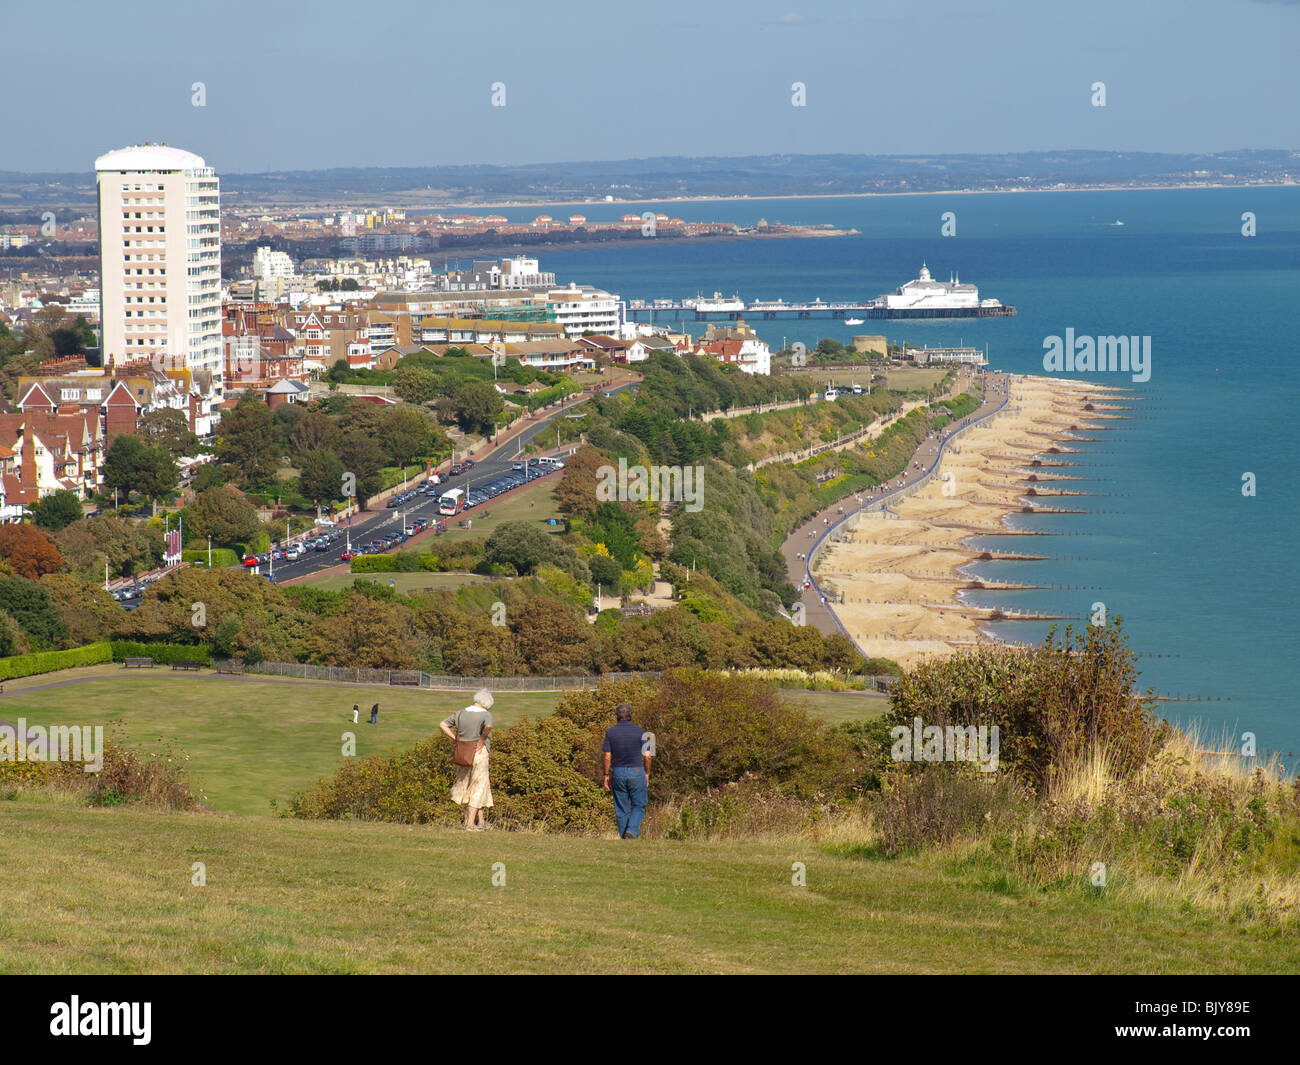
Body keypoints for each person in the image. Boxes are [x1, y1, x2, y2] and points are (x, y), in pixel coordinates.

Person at [440, 689, 494, 830]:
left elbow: (443, 724)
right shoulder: (485, 714)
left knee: (472, 784)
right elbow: (488, 726)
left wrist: (455, 738)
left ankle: (481, 821)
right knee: (479, 786)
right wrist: (482, 739)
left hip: (463, 752)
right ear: (486, 703)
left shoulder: (460, 713)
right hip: (479, 753)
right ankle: (470, 824)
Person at [603, 703, 651, 839]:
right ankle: (632, 830)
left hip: (617, 772)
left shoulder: (610, 732)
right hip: (637, 771)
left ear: (616, 716)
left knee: (621, 808)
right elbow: (647, 756)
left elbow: (607, 755)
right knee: (639, 804)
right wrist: (647, 773)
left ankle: (625, 837)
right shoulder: (642, 732)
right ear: (631, 715)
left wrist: (606, 775)